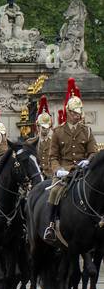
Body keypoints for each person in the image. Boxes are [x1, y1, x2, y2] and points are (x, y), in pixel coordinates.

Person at [45, 78, 98, 243]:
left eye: (79, 112)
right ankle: (51, 225)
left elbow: (93, 152)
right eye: (75, 113)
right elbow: (53, 156)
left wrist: (88, 161)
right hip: (65, 171)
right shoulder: (58, 132)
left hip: (83, 170)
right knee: (54, 192)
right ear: (68, 113)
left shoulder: (87, 131)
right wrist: (57, 169)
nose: (78, 116)